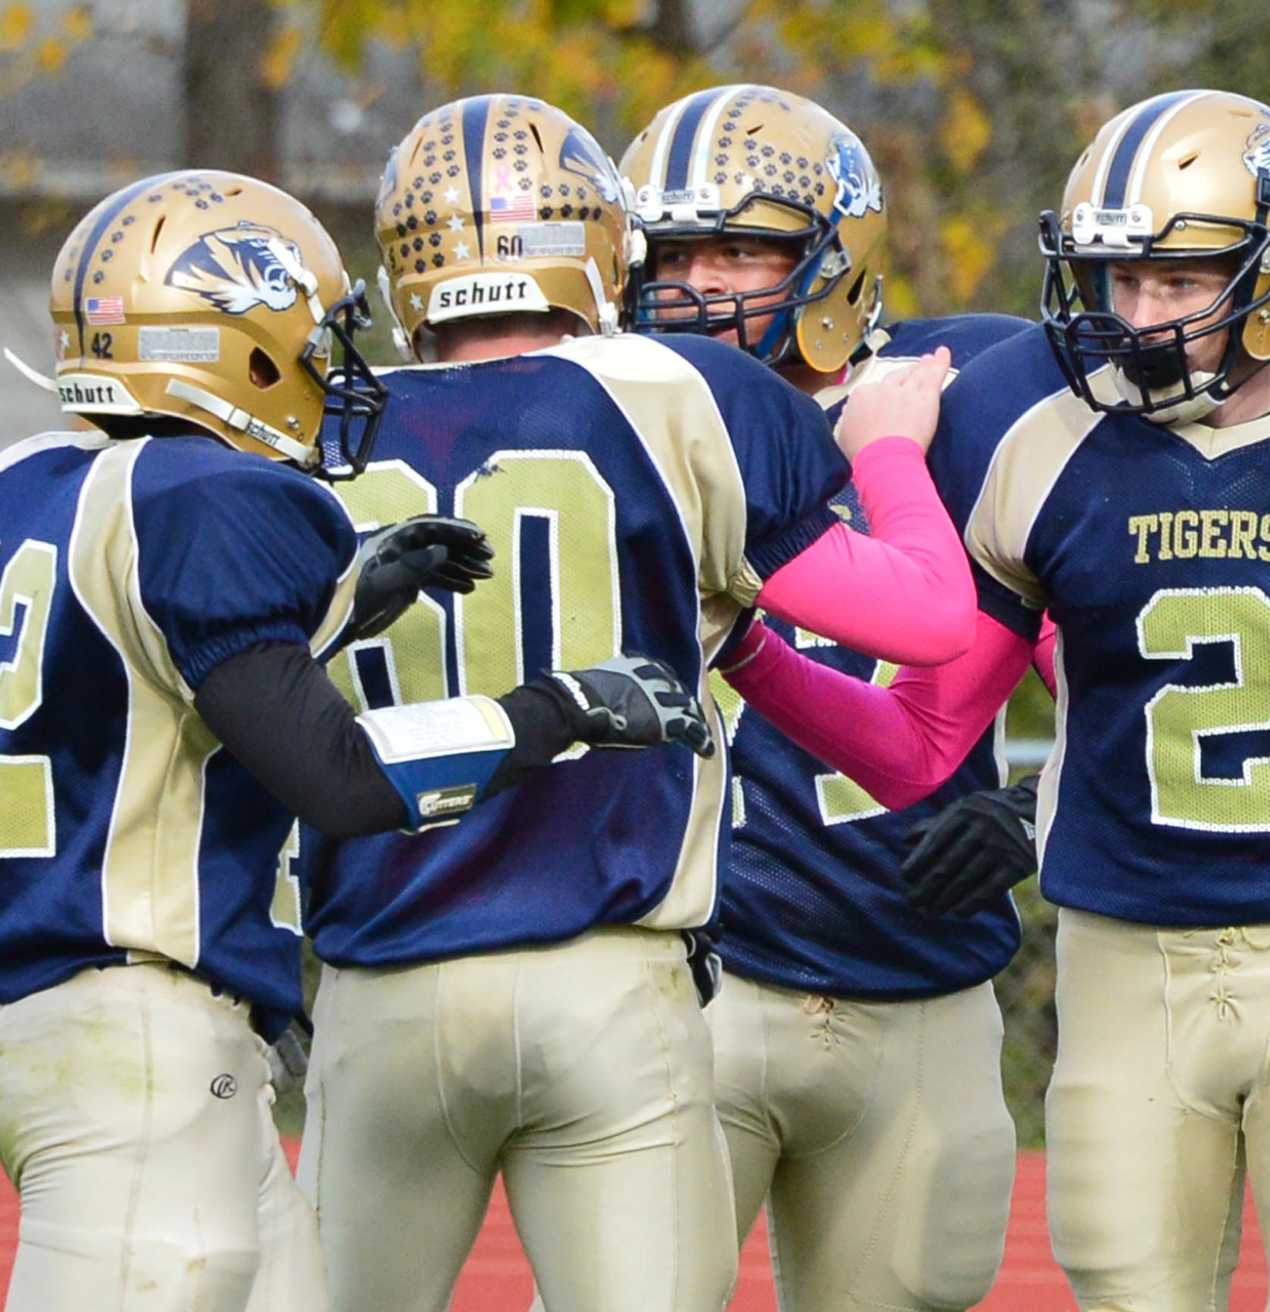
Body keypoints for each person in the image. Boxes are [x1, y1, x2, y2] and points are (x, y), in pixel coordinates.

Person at [716, 89, 1270, 1309]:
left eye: (1177, 280)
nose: (1135, 314)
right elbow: (919, 747)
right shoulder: (1034, 433)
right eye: (1115, 279)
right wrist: (748, 650)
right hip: (1123, 959)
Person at [294, 93, 974, 1312]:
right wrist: (884, 447)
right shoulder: (680, 392)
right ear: (601, 241)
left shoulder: (316, 434)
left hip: (380, 978)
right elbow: (926, 618)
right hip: (607, 980)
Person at [0, 170, 703, 1312]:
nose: (332, 366)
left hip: (67, 1020)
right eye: (312, 337)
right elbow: (337, 779)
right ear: (239, 343)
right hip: (132, 1044)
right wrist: (557, 712)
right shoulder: (207, 499)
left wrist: (344, 601)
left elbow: (137, 670)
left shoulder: (30, 482)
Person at [608, 83, 1036, 1311]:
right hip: (689, 984)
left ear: (831, 259)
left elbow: (1121, 677)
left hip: (918, 983)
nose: (695, 287)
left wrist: (1036, 804)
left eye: (739, 249)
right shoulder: (606, 422)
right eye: (672, 253)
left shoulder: (969, 413)